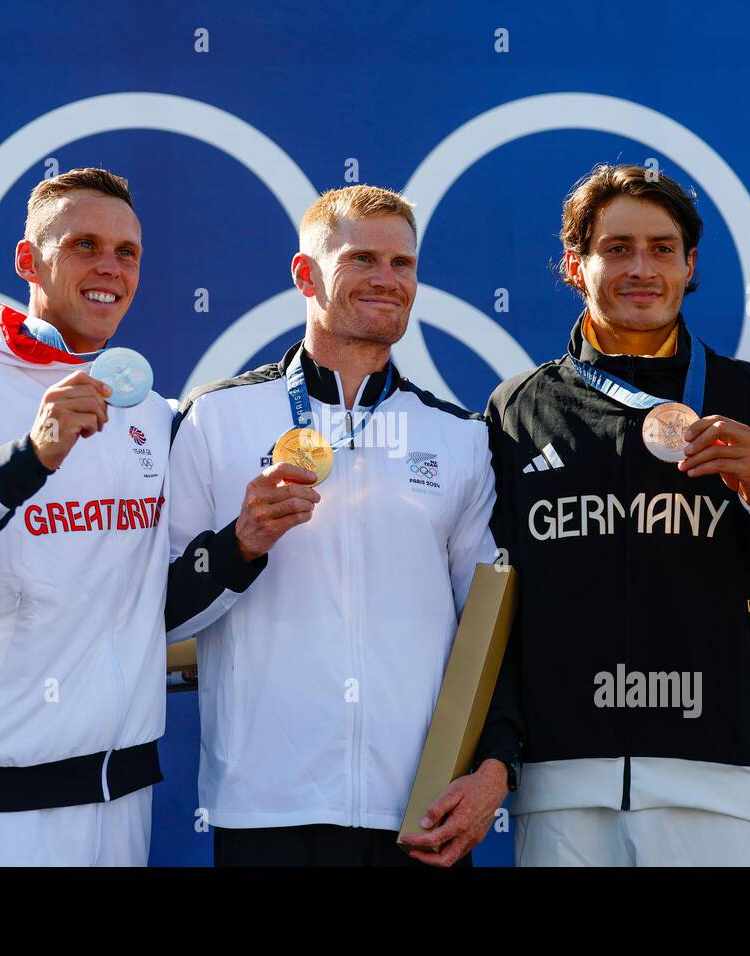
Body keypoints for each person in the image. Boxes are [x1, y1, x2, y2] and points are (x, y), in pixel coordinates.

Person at [402, 163, 750, 867]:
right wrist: (502, 757)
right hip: (561, 787)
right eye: (616, 247)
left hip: (713, 780)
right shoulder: (517, 411)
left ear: (691, 266)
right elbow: (487, 609)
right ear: (576, 264)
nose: (642, 268)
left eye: (662, 248)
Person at [0, 167, 301, 866]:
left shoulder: (151, 415)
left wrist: (241, 545)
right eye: (84, 245)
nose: (110, 267)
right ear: (27, 260)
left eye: (128, 253)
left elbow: (149, 610)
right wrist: (28, 459)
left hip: (122, 807)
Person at [167, 184, 498, 866]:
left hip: (419, 813)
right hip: (267, 812)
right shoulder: (215, 418)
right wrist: (239, 547)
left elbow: (490, 635)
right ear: (304, 274)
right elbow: (156, 615)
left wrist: (494, 768)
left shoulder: (458, 436)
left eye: (402, 265)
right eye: (362, 259)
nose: (386, 280)